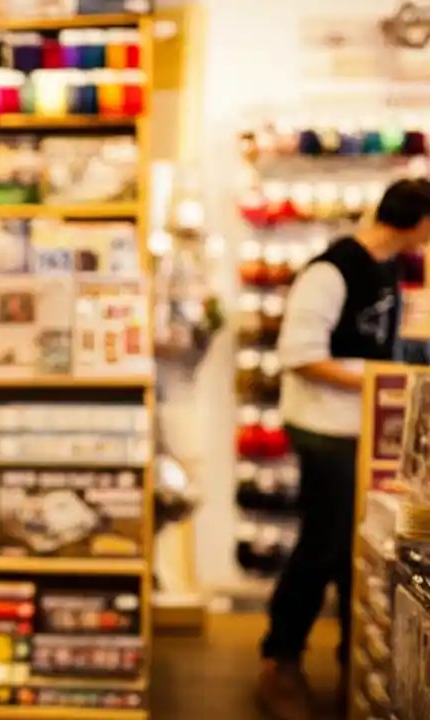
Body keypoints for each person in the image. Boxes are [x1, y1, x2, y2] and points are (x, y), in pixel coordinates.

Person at [257, 178, 430, 720]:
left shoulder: (385, 269)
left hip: (362, 434)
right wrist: (379, 380)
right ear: (417, 222)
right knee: (323, 545)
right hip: (325, 430)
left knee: (357, 551)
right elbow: (298, 352)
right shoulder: (331, 270)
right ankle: (280, 659)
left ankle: (356, 659)